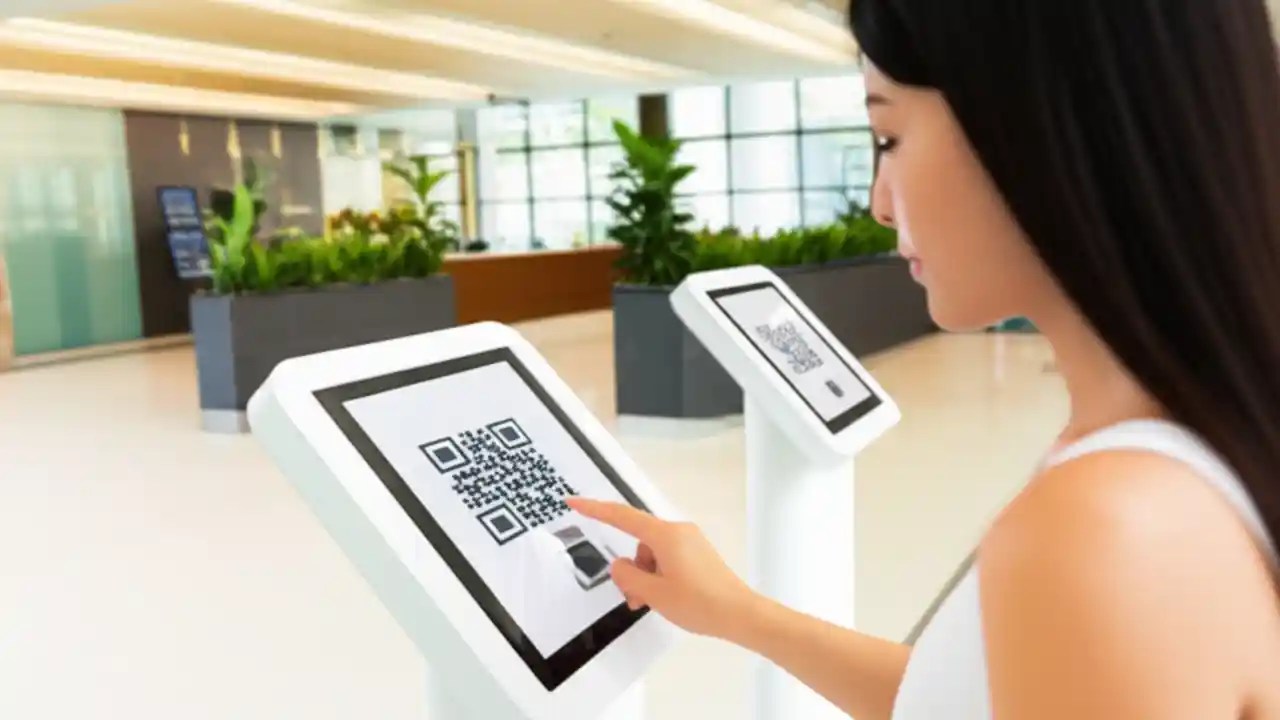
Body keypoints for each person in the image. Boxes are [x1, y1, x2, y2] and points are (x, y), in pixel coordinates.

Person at [569, 1, 1280, 718]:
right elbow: (968, 697)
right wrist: (737, 611)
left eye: (890, 136)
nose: (880, 202)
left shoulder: (1101, 532)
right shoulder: (1184, 451)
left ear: (1034, 127)